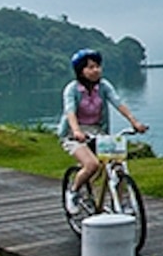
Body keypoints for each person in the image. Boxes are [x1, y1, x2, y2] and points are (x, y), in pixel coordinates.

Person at [58, 48, 148, 213]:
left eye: (98, 66)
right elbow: (70, 111)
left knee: (118, 165)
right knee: (91, 165)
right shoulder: (72, 89)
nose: (96, 70)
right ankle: (73, 192)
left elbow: (118, 103)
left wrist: (134, 122)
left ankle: (118, 204)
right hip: (74, 133)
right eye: (90, 67)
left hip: (98, 131)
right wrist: (77, 131)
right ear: (81, 71)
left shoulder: (104, 86)